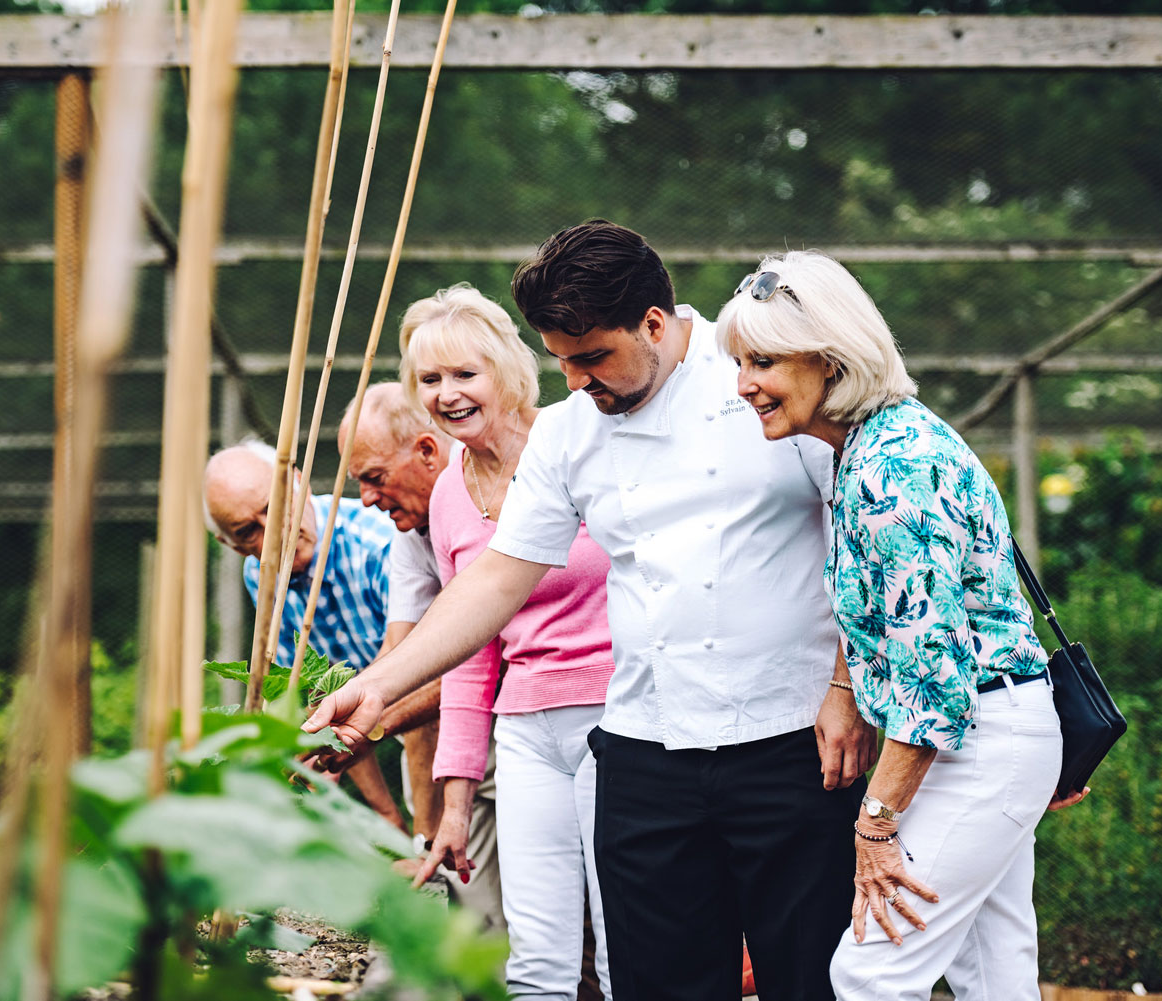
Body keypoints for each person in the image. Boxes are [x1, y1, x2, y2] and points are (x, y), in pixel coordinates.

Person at [304, 222, 875, 1001]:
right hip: (644, 752)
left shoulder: (762, 377)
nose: (574, 381)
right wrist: (381, 684)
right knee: (652, 982)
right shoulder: (570, 433)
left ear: (653, 322)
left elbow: (860, 537)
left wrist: (847, 687)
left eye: (592, 357)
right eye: (561, 360)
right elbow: (498, 576)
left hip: (791, 739)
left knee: (806, 975)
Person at [715, 251, 1087, 1001]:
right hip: (990, 734)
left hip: (977, 736)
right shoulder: (871, 449)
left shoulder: (895, 467)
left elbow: (931, 674)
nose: (743, 383)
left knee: (873, 973)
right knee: (993, 974)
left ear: (828, 358)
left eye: (763, 360)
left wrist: (875, 824)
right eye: (738, 361)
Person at [398, 283, 617, 1001]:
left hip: (618, 714)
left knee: (625, 940)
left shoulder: (581, 436)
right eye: (429, 379)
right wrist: (454, 804)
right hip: (524, 730)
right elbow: (469, 650)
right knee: (537, 954)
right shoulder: (448, 493)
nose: (447, 393)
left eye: (465, 373)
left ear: (507, 371)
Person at [339, 384, 507, 935]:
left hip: (542, 717)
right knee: (484, 914)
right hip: (472, 740)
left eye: (374, 477)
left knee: (567, 912)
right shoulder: (412, 533)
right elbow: (401, 657)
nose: (364, 499)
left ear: (428, 452)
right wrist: (338, 721)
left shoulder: (494, 498)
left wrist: (373, 724)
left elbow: (488, 654)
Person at [202, 440, 405, 831]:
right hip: (370, 716)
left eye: (275, 506)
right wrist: (387, 818)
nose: (274, 530)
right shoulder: (260, 575)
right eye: (248, 530)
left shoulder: (378, 546)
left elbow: (422, 676)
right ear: (229, 544)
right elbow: (321, 700)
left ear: (300, 482)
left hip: (450, 706)